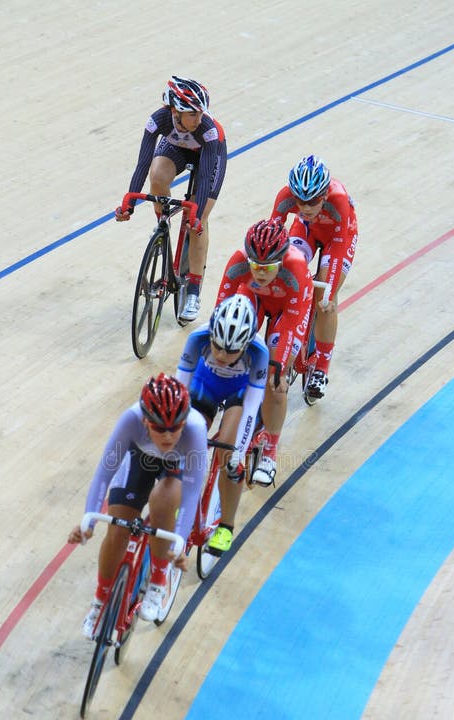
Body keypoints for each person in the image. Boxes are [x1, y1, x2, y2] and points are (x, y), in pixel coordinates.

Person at [68, 374, 208, 636]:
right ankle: (100, 601)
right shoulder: (130, 420)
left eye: (175, 428)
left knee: (164, 501)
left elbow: (191, 493)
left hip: (174, 466)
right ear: (145, 421)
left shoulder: (195, 430)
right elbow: (104, 472)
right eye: (159, 429)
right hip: (137, 457)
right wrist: (90, 520)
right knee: (118, 528)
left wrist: (179, 539)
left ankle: (157, 581)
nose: (167, 436)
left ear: (185, 422)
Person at [115, 75, 227, 324]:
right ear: (175, 111)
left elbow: (207, 174)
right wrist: (129, 205)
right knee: (156, 176)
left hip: (208, 158)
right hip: (175, 148)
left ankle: (194, 292)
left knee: (199, 220)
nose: (198, 119)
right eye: (192, 114)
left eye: (200, 113)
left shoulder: (209, 131)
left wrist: (197, 217)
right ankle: (163, 222)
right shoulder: (158, 121)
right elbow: (143, 164)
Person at [215, 219, 312, 487]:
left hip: (288, 309)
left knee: (275, 382)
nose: (259, 272)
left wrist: (280, 365)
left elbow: (293, 323)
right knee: (230, 347)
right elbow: (221, 311)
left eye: (267, 268)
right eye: (255, 266)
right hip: (253, 298)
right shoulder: (239, 262)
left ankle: (270, 451)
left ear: (280, 262)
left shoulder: (296, 269)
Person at [175, 293, 269, 554]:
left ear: (246, 344)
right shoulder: (197, 338)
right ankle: (178, 497)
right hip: (205, 384)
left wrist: (238, 450)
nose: (221, 354)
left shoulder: (259, 352)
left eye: (231, 351)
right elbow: (179, 388)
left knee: (227, 454)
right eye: (217, 346)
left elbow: (251, 408)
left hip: (239, 393)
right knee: (183, 442)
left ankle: (226, 526)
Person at [270, 154, 358, 400]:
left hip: (339, 238)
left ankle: (321, 368)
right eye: (300, 201)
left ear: (324, 196)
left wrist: (328, 293)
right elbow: (272, 237)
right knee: (288, 277)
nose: (305, 208)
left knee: (324, 298)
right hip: (306, 231)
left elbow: (339, 249)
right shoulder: (285, 196)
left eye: (312, 202)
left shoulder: (339, 200)